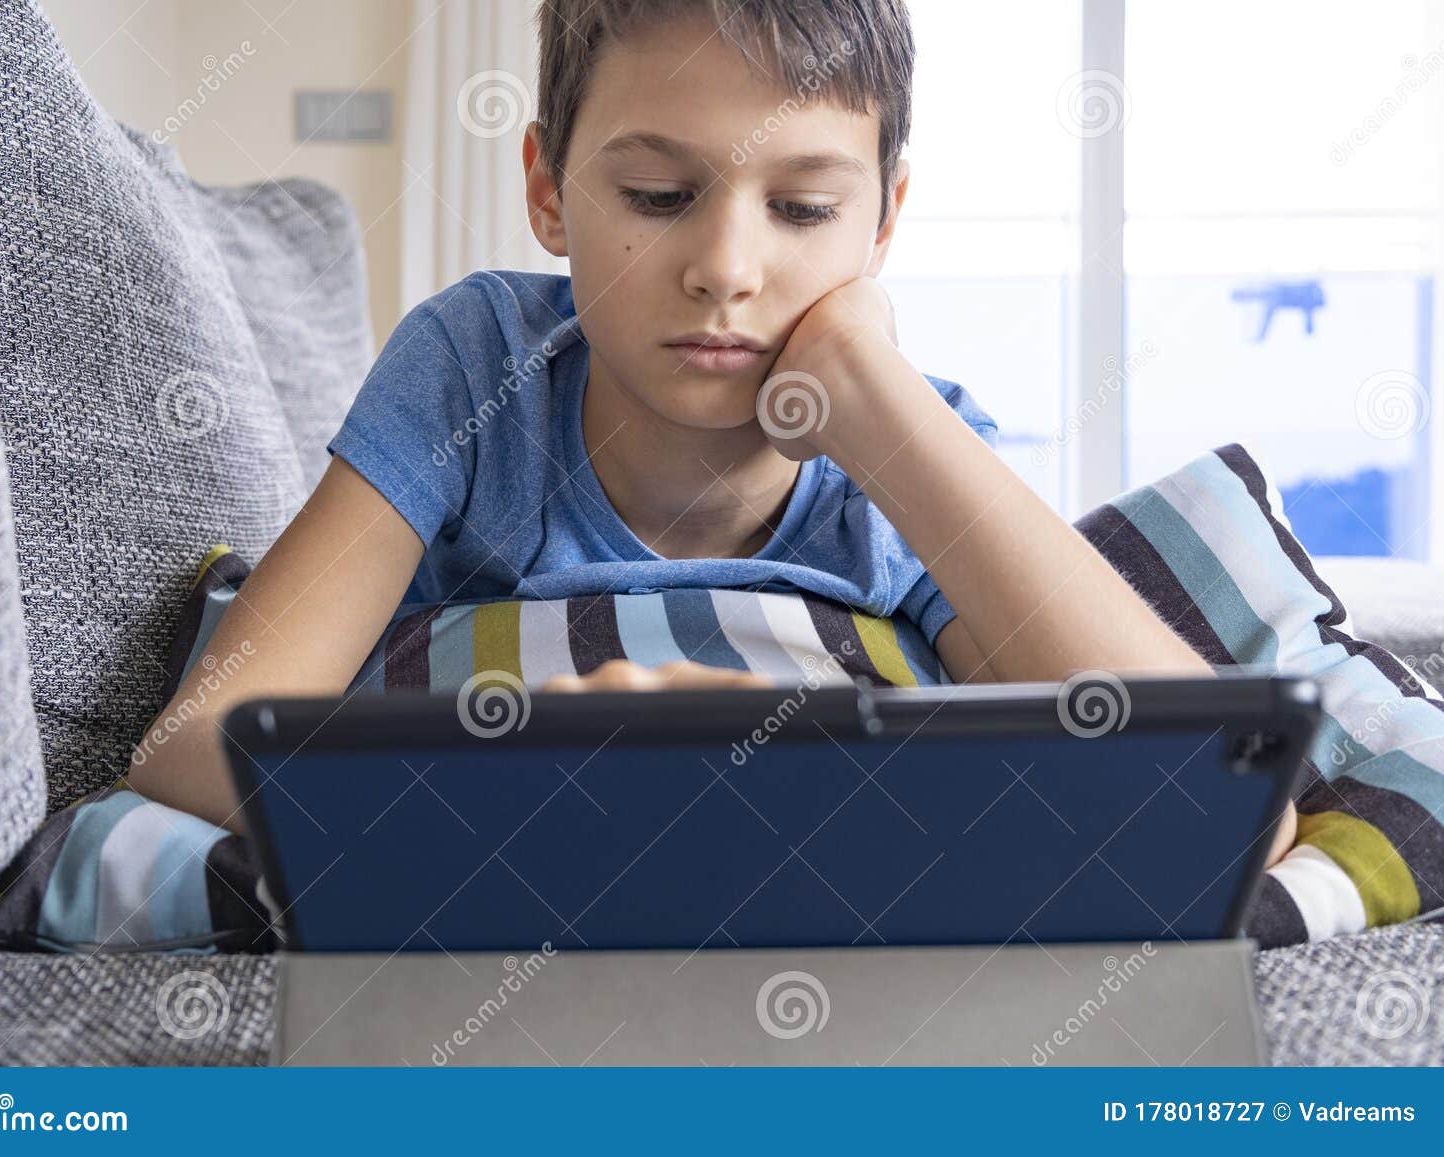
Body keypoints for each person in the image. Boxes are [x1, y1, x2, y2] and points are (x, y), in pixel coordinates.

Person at [127, 0, 1296, 865]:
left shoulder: (910, 455)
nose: (726, 271)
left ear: (884, 220)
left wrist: (877, 396)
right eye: (656, 196)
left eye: (801, 209)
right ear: (548, 190)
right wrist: (552, 776)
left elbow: (1211, 789)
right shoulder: (474, 365)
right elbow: (193, 743)